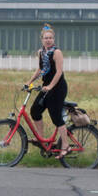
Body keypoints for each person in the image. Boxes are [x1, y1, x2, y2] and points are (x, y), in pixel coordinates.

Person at [23, 24, 71, 155]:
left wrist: (50, 86)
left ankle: (66, 146)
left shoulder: (57, 52)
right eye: (46, 38)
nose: (48, 40)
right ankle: (42, 140)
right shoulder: (41, 52)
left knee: (56, 117)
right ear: (42, 39)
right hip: (46, 88)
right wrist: (29, 82)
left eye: (50, 38)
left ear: (53, 39)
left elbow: (59, 72)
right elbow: (40, 69)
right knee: (35, 111)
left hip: (58, 88)